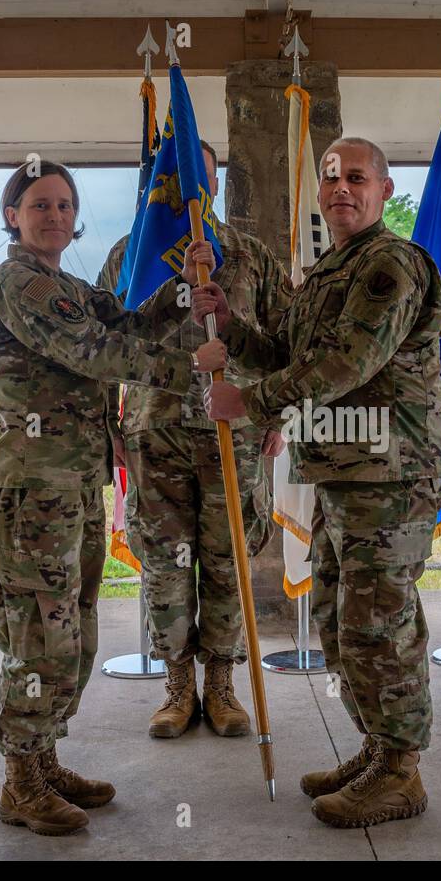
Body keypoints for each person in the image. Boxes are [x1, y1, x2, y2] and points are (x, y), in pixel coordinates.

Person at [0, 160, 227, 835]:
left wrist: (180, 296)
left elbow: (127, 323)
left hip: (72, 482)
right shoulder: (18, 283)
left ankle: (44, 760)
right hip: (30, 486)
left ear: (76, 220)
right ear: (12, 216)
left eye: (63, 205)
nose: (53, 215)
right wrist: (188, 364)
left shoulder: (70, 286)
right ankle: (20, 778)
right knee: (38, 636)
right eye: (39, 204)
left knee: (70, 632)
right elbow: (97, 352)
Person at [192, 137, 441, 828]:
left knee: (379, 627)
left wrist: (249, 401)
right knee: (344, 628)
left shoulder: (389, 263)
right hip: (345, 476)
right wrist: (229, 324)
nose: (341, 187)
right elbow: (289, 353)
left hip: (390, 476)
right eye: (331, 177)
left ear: (385, 190)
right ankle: (376, 748)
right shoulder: (332, 270)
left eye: (357, 176)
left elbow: (349, 362)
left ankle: (401, 771)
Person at [96, 141, 292, 740]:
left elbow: (285, 341)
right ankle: (177, 684)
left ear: (216, 182)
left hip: (235, 431)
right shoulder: (132, 255)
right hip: (155, 433)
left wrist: (277, 413)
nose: (189, 191)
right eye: (177, 179)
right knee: (165, 563)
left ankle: (222, 683)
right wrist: (110, 428)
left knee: (229, 560)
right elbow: (102, 348)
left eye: (201, 179)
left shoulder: (250, 255)